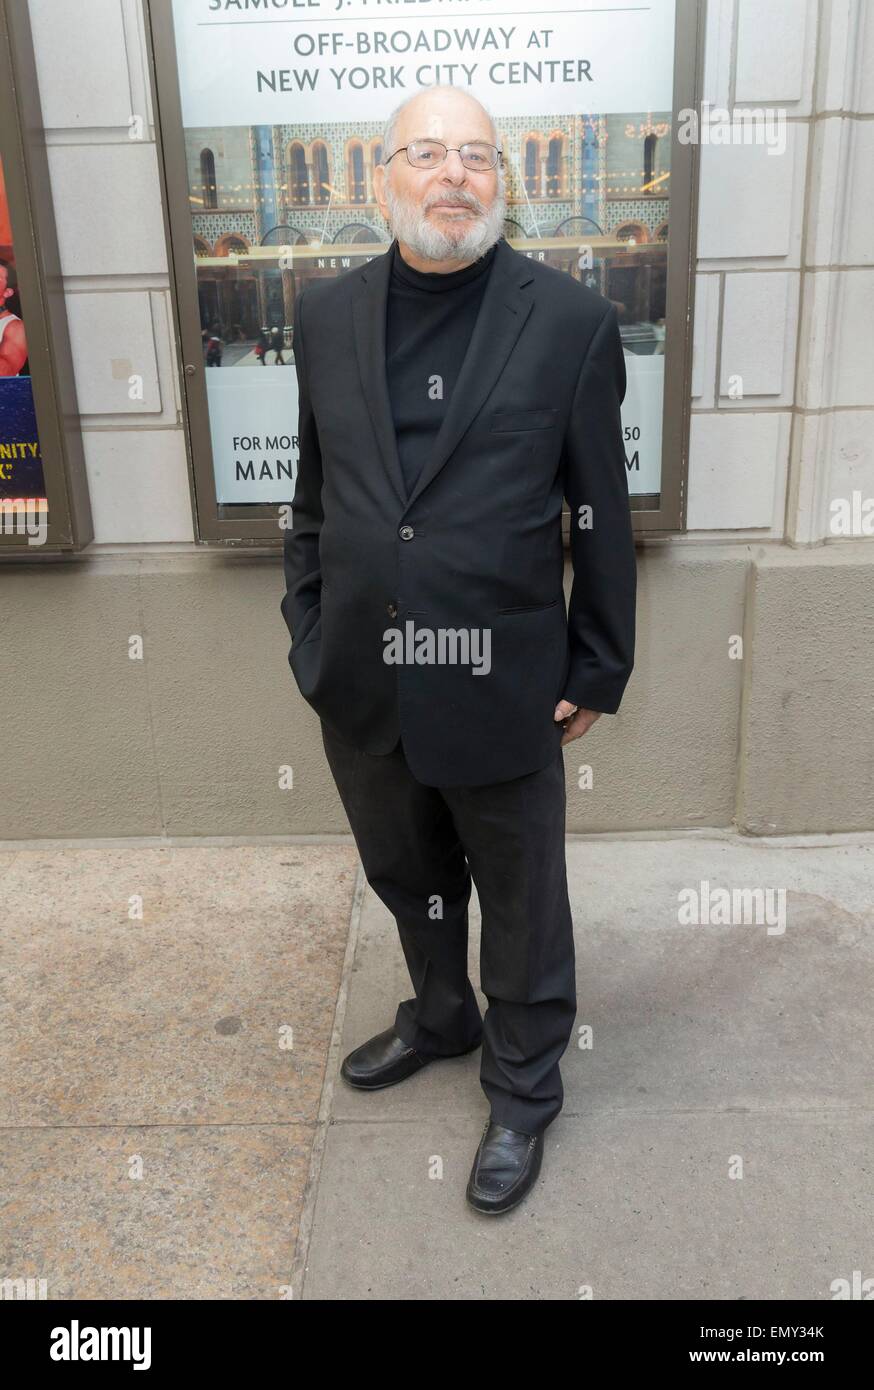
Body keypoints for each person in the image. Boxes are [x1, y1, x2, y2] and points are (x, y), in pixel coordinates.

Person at [280, 85, 636, 1215]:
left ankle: (524, 1088)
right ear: (381, 176)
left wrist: (595, 663)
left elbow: (600, 514)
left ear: (502, 180)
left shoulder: (568, 323)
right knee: (407, 873)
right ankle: (440, 1013)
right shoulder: (326, 317)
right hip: (363, 676)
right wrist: (309, 629)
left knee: (521, 894)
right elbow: (313, 497)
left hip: (503, 676)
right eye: (426, 153)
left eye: (476, 156)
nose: (453, 175)